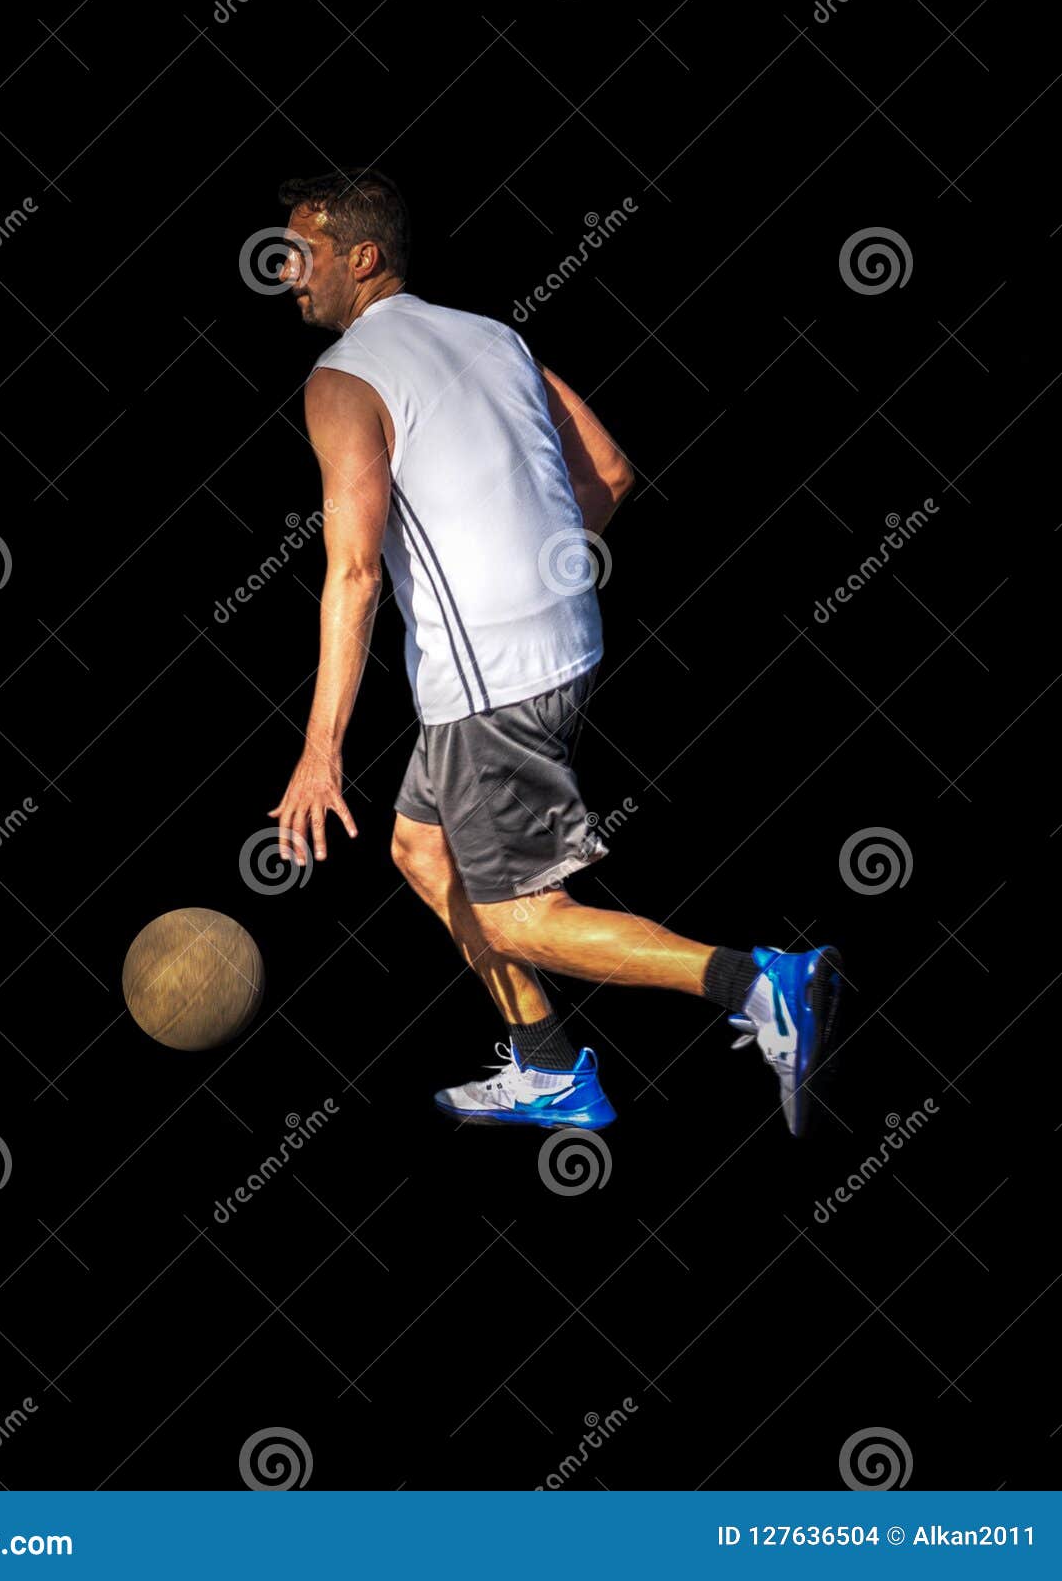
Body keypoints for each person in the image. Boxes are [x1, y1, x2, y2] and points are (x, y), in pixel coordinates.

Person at [267, 168, 843, 1136]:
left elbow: (355, 574)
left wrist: (320, 748)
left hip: (488, 684)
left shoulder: (342, 380)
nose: (288, 271)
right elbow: (610, 471)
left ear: (361, 259)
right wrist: (530, 572)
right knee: (419, 846)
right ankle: (547, 1069)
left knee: (515, 914)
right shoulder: (495, 336)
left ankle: (758, 982)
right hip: (563, 642)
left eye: (303, 254)